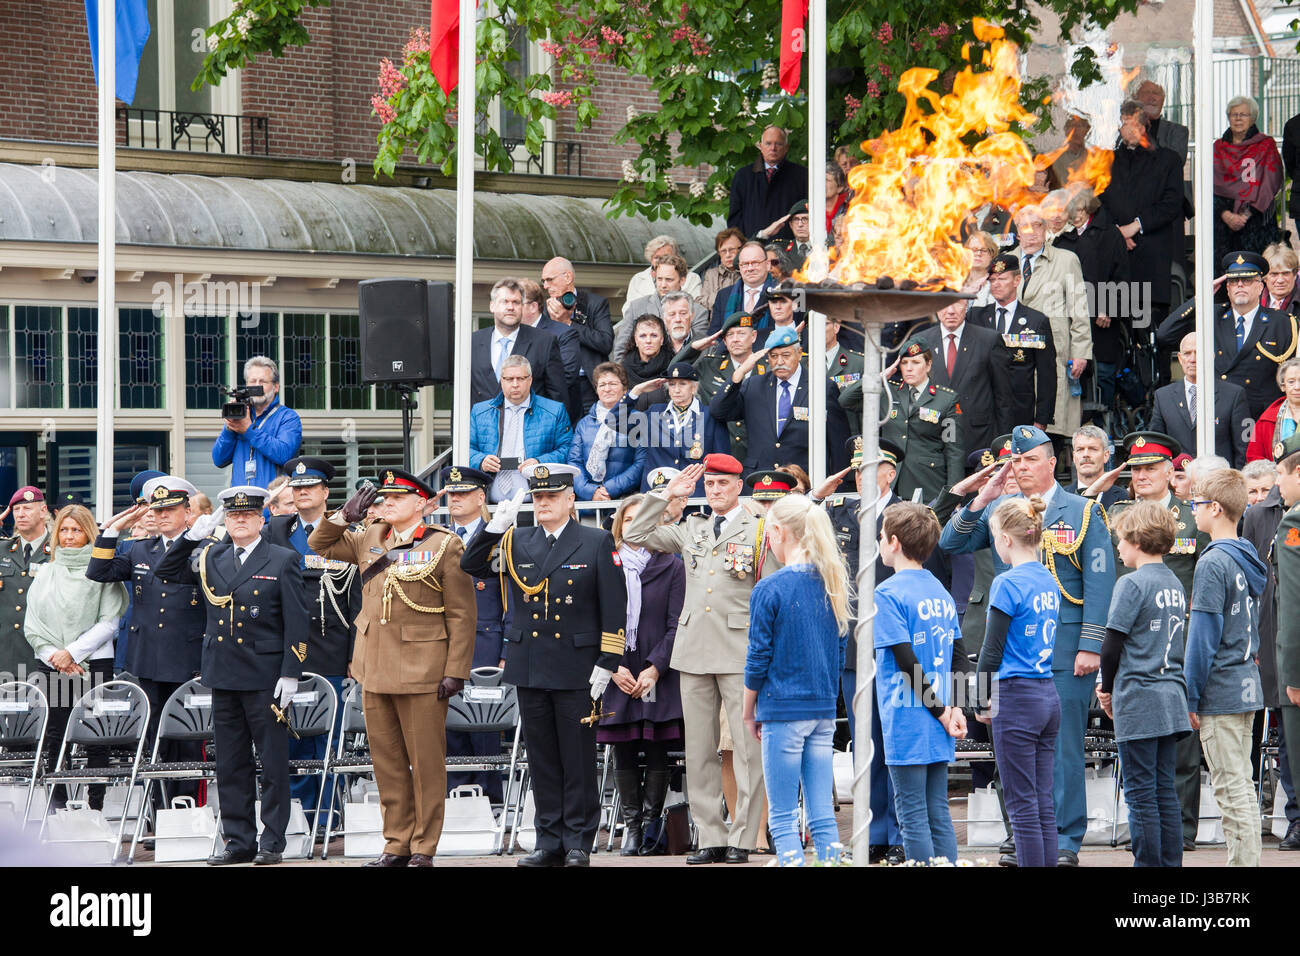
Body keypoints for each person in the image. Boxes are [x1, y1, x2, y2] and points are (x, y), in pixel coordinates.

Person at [939, 425, 1115, 866]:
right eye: (1015, 460)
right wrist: (982, 498)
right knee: (1014, 750)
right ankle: (1025, 836)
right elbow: (949, 542)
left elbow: (1099, 580)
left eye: (1030, 459)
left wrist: (1091, 644)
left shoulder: (1082, 511)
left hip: (1067, 645)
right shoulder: (1004, 508)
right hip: (1013, 652)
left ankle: (1066, 838)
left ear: (1053, 463)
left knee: (1064, 747)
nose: (1020, 467)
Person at [460, 463, 627, 867]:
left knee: (578, 758)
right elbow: (472, 565)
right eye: (537, 498)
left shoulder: (595, 541)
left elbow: (614, 606)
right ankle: (548, 839)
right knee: (542, 758)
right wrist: (495, 527)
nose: (544, 504)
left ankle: (577, 841)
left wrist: (608, 661)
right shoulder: (519, 540)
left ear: (571, 499)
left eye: (552, 497)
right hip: (531, 662)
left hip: (578, 665)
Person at [310, 469, 476, 867]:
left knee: (426, 763)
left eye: (397, 499)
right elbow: (319, 544)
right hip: (374, 665)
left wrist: (456, 669)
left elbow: (461, 613)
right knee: (386, 762)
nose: (386, 505)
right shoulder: (370, 536)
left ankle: (424, 845)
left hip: (423, 668)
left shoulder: (444, 545)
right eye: (383, 500)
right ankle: (396, 842)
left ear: (422, 503)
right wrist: (344, 516)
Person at [622, 456, 775, 864]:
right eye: (710, 483)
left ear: (739, 485)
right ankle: (710, 834)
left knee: (746, 750)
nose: (715, 490)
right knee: (699, 750)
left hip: (740, 649)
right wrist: (666, 496)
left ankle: (743, 836)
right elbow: (635, 532)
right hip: (692, 650)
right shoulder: (694, 527)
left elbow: (772, 590)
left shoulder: (758, 527)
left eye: (723, 483)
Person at [153, 486, 308, 865]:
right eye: (233, 515)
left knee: (271, 763)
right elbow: (166, 570)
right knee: (231, 763)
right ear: (226, 519)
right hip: (223, 672)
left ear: (260, 519)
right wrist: (191, 535)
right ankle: (239, 841)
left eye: (247, 515)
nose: (240, 520)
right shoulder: (212, 555)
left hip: (266, 675)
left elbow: (298, 622)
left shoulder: (282, 558)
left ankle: (272, 841)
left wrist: (292, 672)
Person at [742, 494, 850, 866]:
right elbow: (839, 653)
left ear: (780, 532)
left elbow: (758, 656)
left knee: (783, 814)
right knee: (821, 813)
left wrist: (747, 708)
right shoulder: (831, 581)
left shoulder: (769, 588)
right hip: (820, 707)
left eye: (770, 531)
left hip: (782, 706)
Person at [813, 436, 904, 863]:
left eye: (871, 468)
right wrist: (816, 497)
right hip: (852, 646)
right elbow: (796, 529)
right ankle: (872, 833)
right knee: (865, 744)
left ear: (889, 471)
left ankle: (899, 830)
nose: (863, 476)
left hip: (896, 644)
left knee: (896, 740)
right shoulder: (838, 512)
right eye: (858, 469)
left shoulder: (908, 515)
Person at [264, 456, 360, 817]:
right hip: (283, 649)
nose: (302, 492)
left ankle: (327, 814)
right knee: (289, 732)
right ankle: (297, 815)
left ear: (325, 492)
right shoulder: (274, 530)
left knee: (327, 736)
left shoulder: (347, 533)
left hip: (330, 644)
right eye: (297, 487)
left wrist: (354, 653)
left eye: (309, 487)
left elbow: (358, 597)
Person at [1098, 501, 1190, 867]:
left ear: (1136, 539)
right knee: (1165, 790)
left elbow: (1111, 645)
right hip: (1171, 696)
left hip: (1138, 697)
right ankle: (1171, 864)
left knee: (1139, 794)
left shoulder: (1131, 583)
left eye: (1121, 538)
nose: (1118, 546)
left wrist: (1105, 687)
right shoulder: (1175, 581)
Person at [87, 477, 206, 754]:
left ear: (187, 512)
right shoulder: (140, 548)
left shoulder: (205, 546)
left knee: (189, 736)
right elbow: (98, 572)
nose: (162, 515)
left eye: (170, 510)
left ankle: (191, 799)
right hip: (149, 655)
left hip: (188, 656)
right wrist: (112, 529)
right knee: (154, 738)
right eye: (157, 510)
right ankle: (157, 798)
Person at [875, 502, 965, 863]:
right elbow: (960, 655)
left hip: (908, 718)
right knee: (938, 812)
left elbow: (906, 662)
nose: (880, 541)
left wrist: (944, 711)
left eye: (881, 535)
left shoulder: (888, 593)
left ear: (894, 542)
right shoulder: (940, 590)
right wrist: (956, 707)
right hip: (940, 714)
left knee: (911, 815)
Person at [973, 495, 1060, 867]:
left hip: (1017, 695)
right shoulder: (1048, 579)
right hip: (1046, 693)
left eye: (995, 537)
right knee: (1042, 801)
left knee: (1021, 805)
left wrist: (978, 697)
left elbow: (991, 650)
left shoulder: (1007, 583)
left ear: (1006, 539)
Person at [1185, 467, 1266, 867]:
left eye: (1196, 504)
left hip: (1220, 687)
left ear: (1215, 508)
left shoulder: (1212, 563)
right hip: (1247, 680)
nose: (1192, 511)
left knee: (1231, 790)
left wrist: (1191, 693)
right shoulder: (1246, 553)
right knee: (1242, 787)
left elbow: (1202, 636)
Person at [24, 504, 127, 809]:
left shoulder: (102, 568)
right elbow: (33, 625)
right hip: (52, 664)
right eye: (64, 530)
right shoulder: (45, 571)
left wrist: (72, 652)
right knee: (54, 736)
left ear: (88, 533)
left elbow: (109, 621)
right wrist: (56, 655)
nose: (69, 536)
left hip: (93, 664)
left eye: (76, 530)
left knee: (96, 735)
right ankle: (58, 811)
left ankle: (94, 809)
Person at [600, 495, 685, 855]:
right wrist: (611, 665)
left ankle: (652, 825)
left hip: (657, 667)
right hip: (617, 665)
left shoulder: (672, 565)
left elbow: (676, 622)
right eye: (629, 519)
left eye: (642, 519)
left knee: (655, 748)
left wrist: (655, 668)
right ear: (620, 524)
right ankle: (631, 828)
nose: (635, 527)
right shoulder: (608, 561)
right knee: (622, 747)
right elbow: (595, 617)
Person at [439, 465, 509, 804]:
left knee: (485, 728)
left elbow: (512, 597)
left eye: (463, 493)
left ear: (481, 497)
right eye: (452, 493)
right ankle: (457, 800)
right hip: (445, 645)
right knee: (449, 727)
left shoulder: (501, 536)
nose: (455, 499)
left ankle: (490, 802)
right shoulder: (438, 538)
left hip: (486, 644)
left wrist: (506, 649)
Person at [710, 325, 849, 475]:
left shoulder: (821, 387)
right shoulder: (754, 385)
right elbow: (719, 411)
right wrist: (740, 373)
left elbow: (838, 445)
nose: (780, 361)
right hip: (760, 479)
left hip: (803, 480)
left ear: (799, 353)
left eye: (786, 355)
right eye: (774, 356)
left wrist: (837, 488)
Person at [1013, 205, 1093, 447]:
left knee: (1051, 424)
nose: (1032, 232)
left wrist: (1080, 352)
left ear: (1045, 228)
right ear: (1017, 232)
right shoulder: (1006, 261)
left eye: (1037, 225)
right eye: (1025, 227)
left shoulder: (1066, 260)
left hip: (1054, 350)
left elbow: (1079, 309)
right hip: (1014, 354)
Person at [1100, 100, 1185, 327]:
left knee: (1149, 330)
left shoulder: (1167, 160)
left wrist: (1136, 225)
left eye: (1131, 123)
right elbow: (1099, 203)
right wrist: (1118, 233)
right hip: (1115, 258)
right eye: (1123, 123)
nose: (1125, 128)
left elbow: (1172, 203)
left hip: (1151, 255)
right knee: (1115, 330)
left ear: (1143, 126)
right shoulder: (1107, 162)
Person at [1053, 187, 1131, 417]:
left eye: (1080, 210)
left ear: (1090, 209)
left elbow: (1122, 278)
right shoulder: (1061, 239)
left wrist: (1109, 308)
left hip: (1101, 319)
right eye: (1071, 210)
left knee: (1104, 371)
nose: (1075, 215)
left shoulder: (1110, 234)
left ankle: (1102, 422)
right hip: (1067, 316)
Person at [969, 254, 1057, 433]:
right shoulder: (976, 316)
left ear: (1017, 280)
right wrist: (972, 290)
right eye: (992, 280)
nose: (996, 284)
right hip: (983, 409)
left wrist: (1041, 419)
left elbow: (1047, 375)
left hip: (1020, 410)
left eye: (1002, 279)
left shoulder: (1035, 321)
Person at [469, 354, 573, 503]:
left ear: (530, 380)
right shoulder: (480, 412)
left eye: (521, 378)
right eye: (509, 379)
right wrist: (480, 461)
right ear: (501, 380)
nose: (515, 384)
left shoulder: (554, 411)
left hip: (536, 502)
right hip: (488, 505)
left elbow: (567, 449)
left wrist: (539, 462)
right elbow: (465, 448)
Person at [1215, 251, 1298, 419]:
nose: (1239, 285)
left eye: (1246, 281)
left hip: (1261, 416)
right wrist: (1200, 298)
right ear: (1228, 288)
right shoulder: (1214, 317)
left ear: (1260, 286)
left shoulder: (1282, 322)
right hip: (1221, 414)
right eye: (1233, 281)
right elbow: (1166, 335)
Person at [879, 341, 964, 503]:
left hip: (928, 482)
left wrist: (953, 496)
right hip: (890, 483)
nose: (909, 368)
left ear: (928, 365)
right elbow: (847, 399)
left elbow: (954, 449)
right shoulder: (888, 393)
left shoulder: (946, 399)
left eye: (916, 362)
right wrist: (882, 377)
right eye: (904, 363)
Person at [1150, 332, 1250, 468]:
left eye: (1199, 352)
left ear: (1212, 356)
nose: (1193, 359)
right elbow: (1156, 446)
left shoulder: (1234, 395)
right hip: (1178, 481)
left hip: (1219, 483)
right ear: (1179, 358)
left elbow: (1244, 446)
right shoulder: (1163, 397)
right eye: (1187, 353)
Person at [674, 310, 761, 462]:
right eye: (730, 335)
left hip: (757, 453)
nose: (735, 339)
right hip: (720, 451)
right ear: (725, 342)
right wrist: (694, 348)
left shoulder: (767, 368)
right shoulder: (710, 365)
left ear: (753, 336)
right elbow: (674, 373)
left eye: (741, 334)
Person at [470, 278, 568, 409]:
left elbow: (558, 398)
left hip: (530, 426)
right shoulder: (472, 342)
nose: (510, 307)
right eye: (504, 302)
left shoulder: (544, 342)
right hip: (483, 427)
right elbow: (461, 394)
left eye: (516, 302)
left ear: (522, 307)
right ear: (492, 306)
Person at [1270, 434, 1300, 851]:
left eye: (1281, 472)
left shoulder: (1294, 524)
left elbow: (1293, 599)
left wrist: (1292, 672)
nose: (1277, 483)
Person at [1214, 95, 1285, 267]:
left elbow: (1271, 182)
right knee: (1226, 275)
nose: (1238, 118)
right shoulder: (1217, 147)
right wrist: (1226, 215)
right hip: (1223, 222)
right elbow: (1210, 185)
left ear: (1252, 118)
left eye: (1243, 115)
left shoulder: (1266, 145)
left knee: (1257, 273)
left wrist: (1245, 215)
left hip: (1257, 219)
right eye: (1233, 114)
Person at [211, 356, 302, 489]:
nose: (257, 386)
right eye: (252, 381)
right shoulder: (241, 415)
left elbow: (284, 454)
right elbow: (219, 460)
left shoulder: (288, 417)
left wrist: (248, 430)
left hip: (272, 504)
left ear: (276, 387)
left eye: (263, 381)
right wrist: (230, 428)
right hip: (240, 503)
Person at [640, 363, 728, 497]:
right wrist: (637, 391)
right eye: (672, 384)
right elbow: (615, 422)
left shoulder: (710, 415)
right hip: (659, 492)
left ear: (694, 387)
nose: (676, 390)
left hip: (696, 494)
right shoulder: (655, 412)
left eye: (682, 384)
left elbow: (721, 460)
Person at [541, 257, 615, 411]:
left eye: (550, 279)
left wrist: (567, 323)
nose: (546, 286)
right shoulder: (544, 310)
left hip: (591, 384)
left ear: (568, 277)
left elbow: (605, 342)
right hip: (560, 385)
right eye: (543, 281)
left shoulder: (595, 303)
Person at [567, 362, 648, 501]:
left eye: (613, 384)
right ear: (596, 390)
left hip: (623, 503)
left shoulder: (638, 420)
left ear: (625, 389)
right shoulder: (584, 424)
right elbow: (574, 462)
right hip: (589, 504)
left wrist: (610, 489)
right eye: (602, 385)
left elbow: (641, 463)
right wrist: (591, 492)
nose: (607, 389)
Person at [0, 486, 50, 682]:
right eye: (16, 510)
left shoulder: (59, 549)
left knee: (46, 711)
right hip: (5, 654)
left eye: (27, 508)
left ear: (43, 511)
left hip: (42, 656)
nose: (20, 514)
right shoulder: (3, 548)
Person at [727, 125, 808, 243]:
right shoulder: (743, 176)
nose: (773, 148)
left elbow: (806, 213)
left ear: (786, 148)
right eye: (768, 143)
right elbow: (735, 219)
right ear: (760, 146)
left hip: (788, 249)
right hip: (752, 249)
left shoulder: (801, 175)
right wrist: (743, 246)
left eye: (778, 144)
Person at [615, 260, 710, 361]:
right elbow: (621, 349)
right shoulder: (636, 307)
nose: (663, 285)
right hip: (642, 373)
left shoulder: (699, 311)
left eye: (669, 280)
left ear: (682, 280)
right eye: (659, 279)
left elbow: (699, 347)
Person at [622, 236, 702, 320]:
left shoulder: (692, 278)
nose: (661, 260)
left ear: (675, 256)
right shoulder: (638, 279)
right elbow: (628, 310)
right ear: (651, 258)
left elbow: (694, 308)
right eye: (657, 257)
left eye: (666, 256)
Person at [709, 241, 774, 333]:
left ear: (767, 265)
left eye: (755, 263)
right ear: (739, 267)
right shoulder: (723, 295)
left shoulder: (781, 293)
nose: (750, 268)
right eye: (745, 264)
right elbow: (714, 334)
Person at [1247, 357, 1300, 463]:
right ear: (1282, 386)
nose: (1297, 387)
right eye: (1291, 382)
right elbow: (1253, 457)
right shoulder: (1266, 420)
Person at [1134, 80, 1189, 162]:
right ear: (1136, 99)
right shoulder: (1126, 130)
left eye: (1156, 93)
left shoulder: (1177, 131)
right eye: (1146, 93)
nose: (1151, 98)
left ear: (1162, 100)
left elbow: (1175, 163)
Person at [1071, 426, 1125, 509]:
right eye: (1080, 449)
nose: (1086, 454)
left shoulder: (1123, 498)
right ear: (1074, 457)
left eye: (1093, 449)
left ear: (1106, 456)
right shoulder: (1059, 497)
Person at [620, 314, 675, 389]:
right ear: (636, 340)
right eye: (643, 336)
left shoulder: (673, 365)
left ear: (662, 339)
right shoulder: (623, 369)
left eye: (654, 335)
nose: (648, 341)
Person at [698, 228, 745, 314]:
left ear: (741, 249)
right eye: (723, 251)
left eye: (731, 250)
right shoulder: (711, 274)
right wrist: (724, 298)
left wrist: (715, 299)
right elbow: (701, 302)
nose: (728, 255)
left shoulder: (747, 271)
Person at [1261, 242, 1300, 317]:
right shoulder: (1252, 302)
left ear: (1295, 274)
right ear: (1265, 277)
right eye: (1274, 274)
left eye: (1286, 273)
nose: (1280, 280)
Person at [962, 230, 999, 308]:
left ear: (992, 254)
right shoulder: (955, 283)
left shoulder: (998, 284)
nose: (978, 254)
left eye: (983, 250)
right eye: (974, 249)